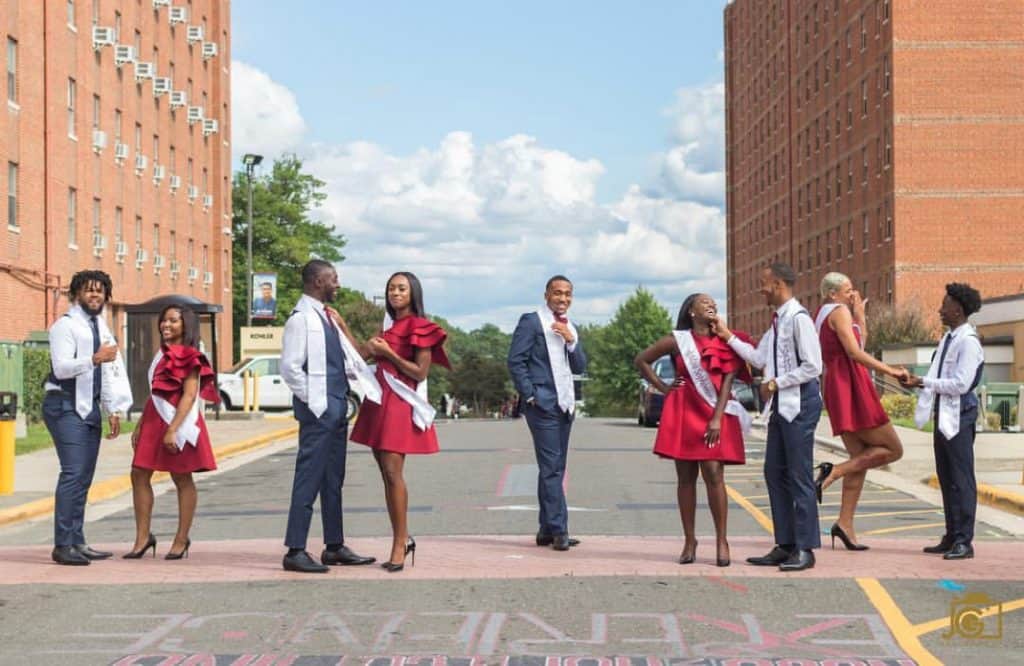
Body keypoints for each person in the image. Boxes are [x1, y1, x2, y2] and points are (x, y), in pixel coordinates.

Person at [712, 262, 823, 572]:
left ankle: (805, 548)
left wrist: (776, 382)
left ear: (777, 284)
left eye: (763, 283)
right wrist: (727, 336)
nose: (759, 289)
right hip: (781, 407)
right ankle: (785, 543)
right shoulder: (778, 321)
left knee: (799, 475)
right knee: (774, 472)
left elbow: (814, 366)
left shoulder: (799, 319)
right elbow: (760, 358)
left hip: (799, 404)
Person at [634, 293, 753, 567]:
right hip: (684, 410)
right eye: (704, 302)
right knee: (685, 477)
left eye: (713, 301)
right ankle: (690, 540)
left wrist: (717, 418)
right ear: (691, 311)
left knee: (713, 473)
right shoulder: (677, 341)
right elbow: (641, 360)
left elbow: (728, 380)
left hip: (714, 411)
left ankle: (722, 540)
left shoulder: (724, 338)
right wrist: (664, 388)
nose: (711, 304)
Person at [279, 260, 380, 573]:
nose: (338, 283)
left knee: (333, 479)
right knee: (308, 479)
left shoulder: (327, 317)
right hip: (319, 410)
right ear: (318, 281)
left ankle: (334, 545)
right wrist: (316, 401)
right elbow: (290, 368)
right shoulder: (300, 320)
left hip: (337, 408)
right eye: (333, 279)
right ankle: (295, 549)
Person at [350, 271, 450, 572]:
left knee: (394, 473)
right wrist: (342, 325)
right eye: (391, 288)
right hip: (378, 402)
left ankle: (399, 543)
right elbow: (357, 356)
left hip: (400, 404)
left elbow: (419, 372)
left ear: (413, 293)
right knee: (385, 474)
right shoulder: (388, 328)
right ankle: (402, 537)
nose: (395, 293)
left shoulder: (421, 327)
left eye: (401, 288)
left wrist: (388, 353)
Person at [43, 270, 133, 566]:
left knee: (83, 477)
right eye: (88, 290)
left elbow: (106, 373)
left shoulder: (100, 327)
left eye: (99, 291)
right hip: (64, 405)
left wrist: (112, 408)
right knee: (72, 474)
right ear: (76, 294)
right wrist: (94, 358)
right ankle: (62, 545)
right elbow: (61, 368)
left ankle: (77, 541)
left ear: (106, 296)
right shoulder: (65, 327)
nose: (94, 295)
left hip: (89, 406)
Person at [812, 273, 906, 550]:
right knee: (893, 449)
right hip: (850, 384)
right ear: (832, 293)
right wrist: (891, 371)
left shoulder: (827, 313)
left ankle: (845, 524)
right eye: (847, 290)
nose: (852, 294)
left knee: (861, 458)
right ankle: (834, 471)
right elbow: (854, 353)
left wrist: (860, 315)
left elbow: (857, 342)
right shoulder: (838, 311)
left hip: (837, 384)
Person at [125, 305, 219, 560]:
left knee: (181, 477)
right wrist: (141, 422)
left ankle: (181, 538)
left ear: (186, 324)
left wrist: (173, 430)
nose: (166, 324)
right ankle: (143, 538)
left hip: (178, 420)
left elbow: (189, 396)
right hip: (155, 419)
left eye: (173, 321)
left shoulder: (191, 355)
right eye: (163, 320)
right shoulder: (161, 354)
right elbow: (156, 392)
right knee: (139, 474)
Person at [901, 283, 984, 560]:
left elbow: (961, 384)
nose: (940, 309)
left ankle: (964, 541)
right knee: (947, 478)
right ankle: (951, 535)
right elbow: (942, 376)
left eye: (945, 305)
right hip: (945, 413)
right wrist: (919, 384)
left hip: (960, 415)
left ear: (958, 310)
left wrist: (924, 381)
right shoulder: (949, 339)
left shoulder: (968, 342)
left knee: (961, 479)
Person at [507, 275, 588, 551]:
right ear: (546, 295)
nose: (562, 298)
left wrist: (571, 342)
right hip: (543, 404)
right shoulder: (531, 322)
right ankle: (560, 529)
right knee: (552, 468)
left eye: (567, 294)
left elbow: (580, 367)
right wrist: (531, 395)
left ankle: (545, 529)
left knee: (553, 468)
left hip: (565, 405)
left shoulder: (571, 327)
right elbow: (515, 360)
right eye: (557, 293)